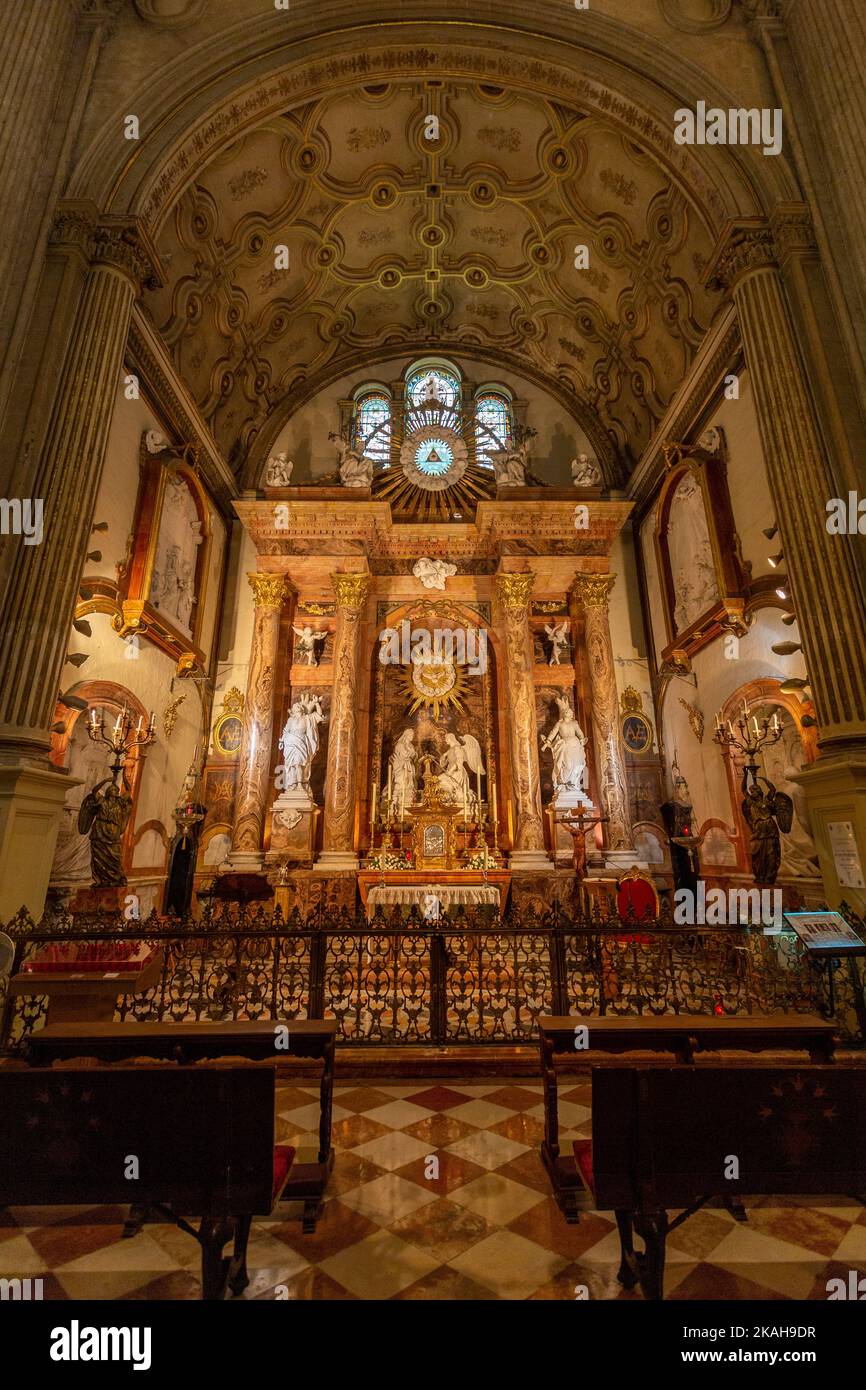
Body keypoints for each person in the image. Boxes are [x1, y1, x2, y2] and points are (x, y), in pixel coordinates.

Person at [77, 775, 133, 887]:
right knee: (98, 856)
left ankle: (117, 877)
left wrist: (124, 777)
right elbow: (94, 791)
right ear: (108, 792)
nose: (114, 791)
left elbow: (128, 790)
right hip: (99, 830)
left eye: (116, 790)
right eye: (112, 789)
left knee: (115, 857)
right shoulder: (101, 800)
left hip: (113, 832)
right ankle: (100, 880)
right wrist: (105, 780)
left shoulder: (120, 803)